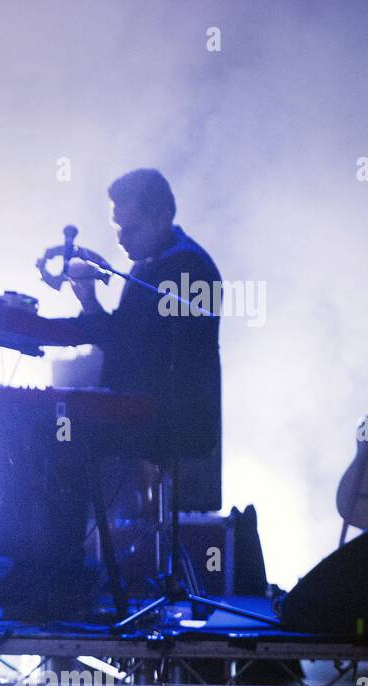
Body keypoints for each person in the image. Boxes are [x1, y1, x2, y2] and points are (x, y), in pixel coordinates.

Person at [63, 167, 222, 466]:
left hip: (169, 422)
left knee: (57, 433)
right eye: (118, 228)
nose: (122, 239)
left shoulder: (187, 268)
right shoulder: (149, 264)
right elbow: (125, 337)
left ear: (163, 217)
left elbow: (134, 347)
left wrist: (91, 305)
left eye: (131, 229)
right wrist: (88, 300)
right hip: (139, 411)